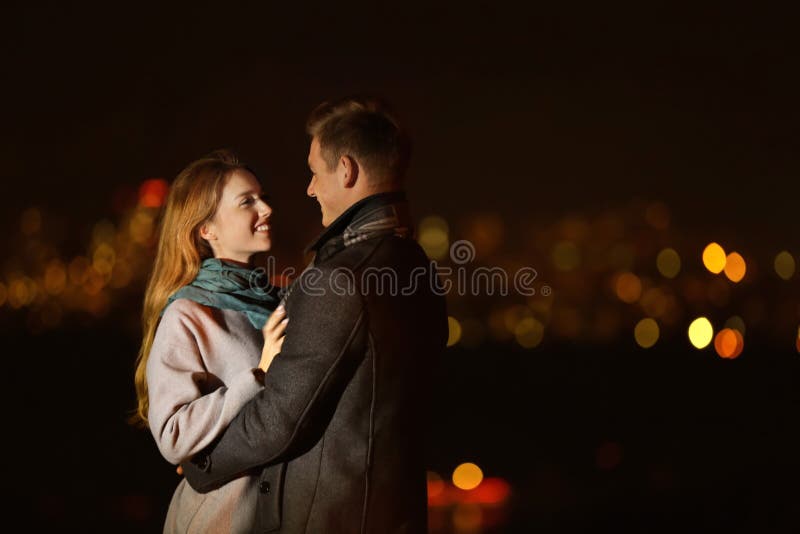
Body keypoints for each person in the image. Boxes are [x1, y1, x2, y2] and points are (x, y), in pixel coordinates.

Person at [179, 96, 449, 533]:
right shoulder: (418, 267)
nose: (308, 188)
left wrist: (201, 462)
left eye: (315, 172)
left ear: (346, 170)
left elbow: (279, 418)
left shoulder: (339, 279)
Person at [131, 149, 289, 533]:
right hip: (221, 521)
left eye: (262, 196)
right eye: (247, 202)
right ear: (207, 229)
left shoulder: (279, 302)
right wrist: (258, 374)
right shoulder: (188, 315)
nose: (266, 208)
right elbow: (172, 435)